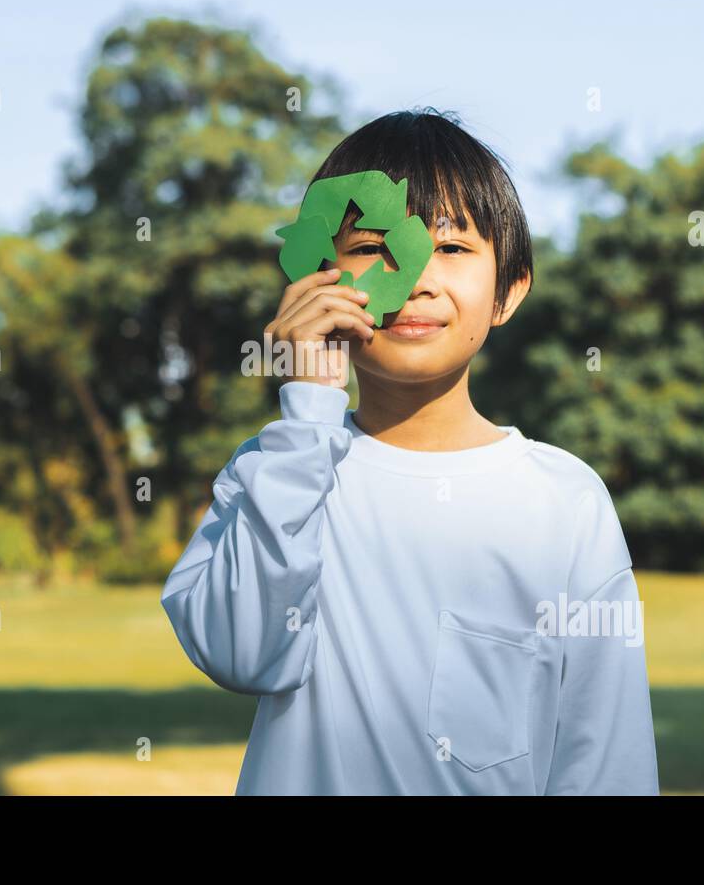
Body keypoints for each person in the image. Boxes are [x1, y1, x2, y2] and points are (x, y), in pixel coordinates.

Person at [160, 109, 660, 795]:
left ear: (508, 291)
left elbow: (606, 760)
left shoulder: (564, 503)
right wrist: (307, 406)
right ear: (316, 273)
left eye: (452, 249)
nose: (418, 279)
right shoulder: (275, 471)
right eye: (374, 246)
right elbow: (240, 651)